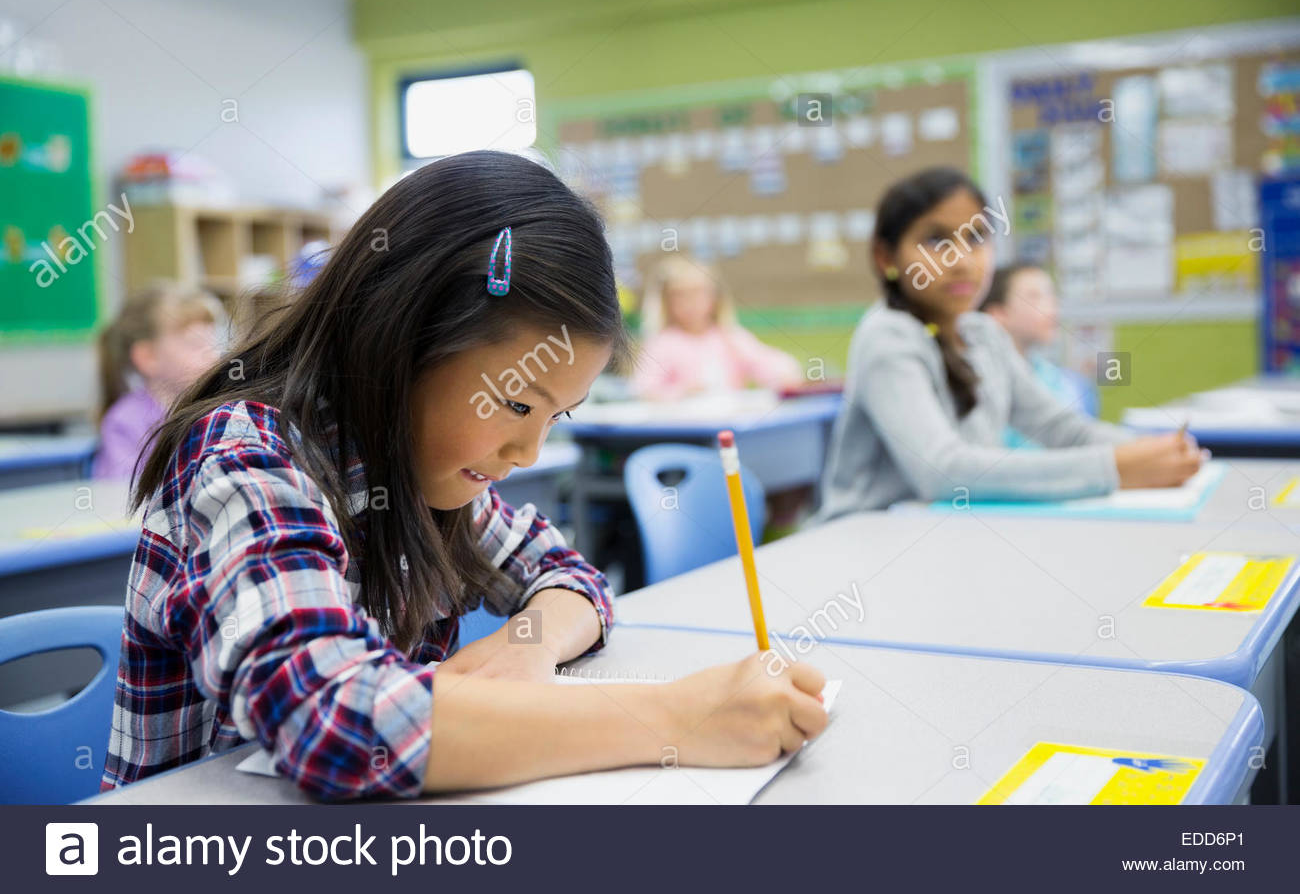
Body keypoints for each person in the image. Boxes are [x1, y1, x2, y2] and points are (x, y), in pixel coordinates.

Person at [102, 151, 827, 800]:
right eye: (516, 402)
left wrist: (529, 642)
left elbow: (572, 575)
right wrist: (672, 718)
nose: (529, 453)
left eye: (556, 417)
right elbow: (332, 720)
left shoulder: (414, 467)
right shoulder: (249, 454)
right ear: (404, 335)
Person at [817, 167, 1202, 520]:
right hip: (867, 545)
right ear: (886, 256)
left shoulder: (983, 336)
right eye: (936, 239)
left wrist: (1155, 452)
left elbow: (1063, 430)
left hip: (952, 536)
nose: (961, 260)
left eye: (976, 237)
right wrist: (1114, 468)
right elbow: (943, 472)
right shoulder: (888, 336)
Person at [92, 283, 224, 480]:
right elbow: (122, 498)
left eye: (212, 343)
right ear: (148, 358)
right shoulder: (124, 422)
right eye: (195, 344)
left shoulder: (216, 411)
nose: (213, 355)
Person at [633, 255, 803, 400]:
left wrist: (785, 375)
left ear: (714, 298)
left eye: (698, 294)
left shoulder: (730, 337)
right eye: (680, 296)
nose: (690, 303)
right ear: (667, 302)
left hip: (729, 424)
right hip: (685, 427)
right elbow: (644, 389)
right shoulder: (663, 343)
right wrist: (682, 392)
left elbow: (767, 364)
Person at [980, 262, 1098, 446]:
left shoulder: (1056, 379)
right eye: (1035, 297)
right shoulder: (981, 382)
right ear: (998, 314)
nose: (1052, 308)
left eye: (1051, 296)